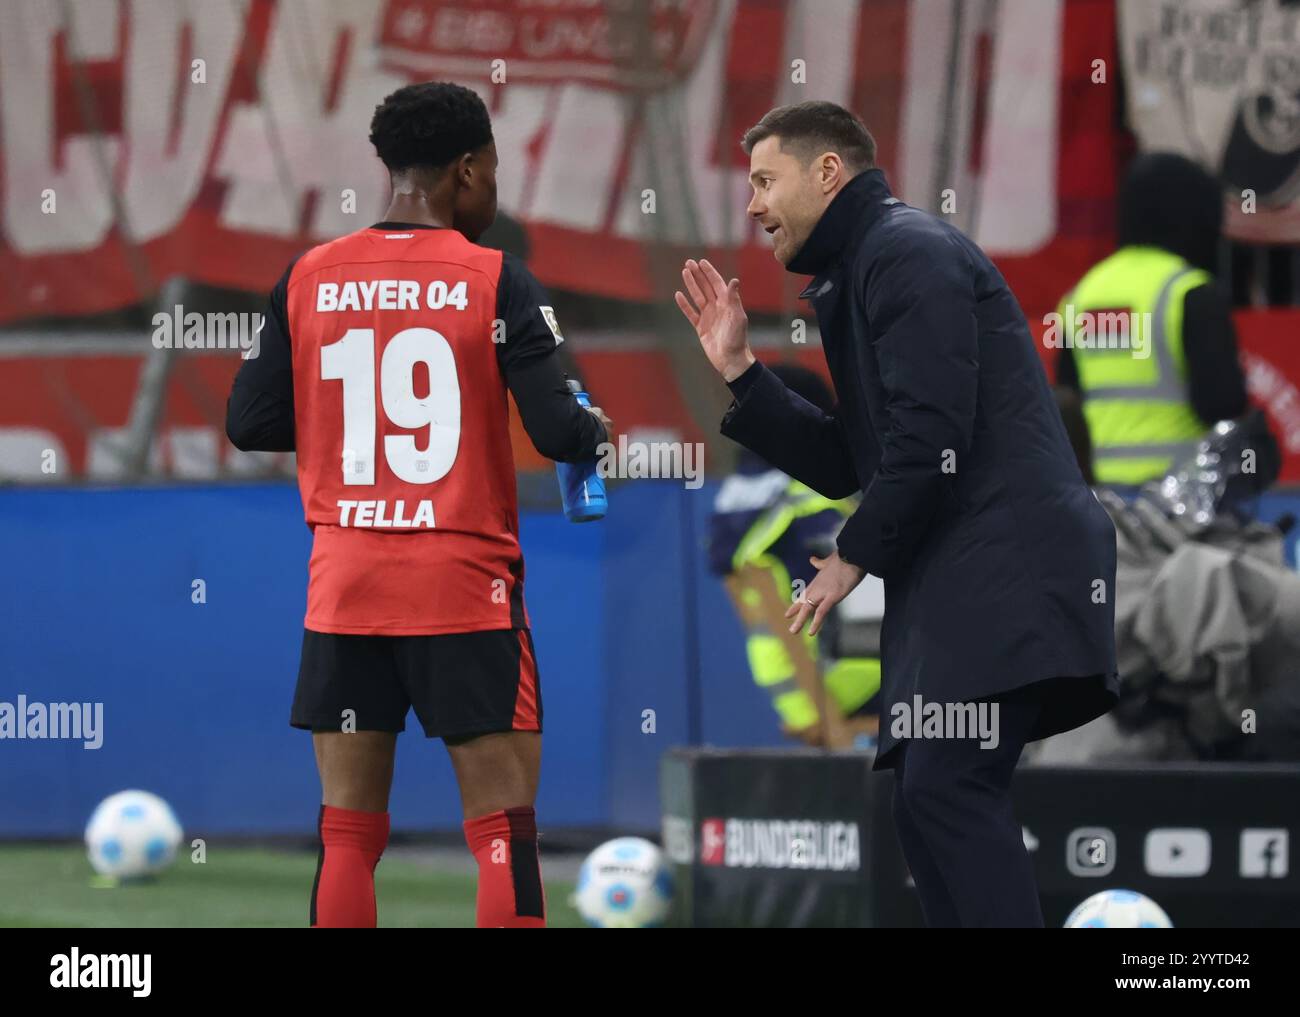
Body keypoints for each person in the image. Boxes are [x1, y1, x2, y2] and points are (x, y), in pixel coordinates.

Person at [675, 100, 1119, 927]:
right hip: (965, 573)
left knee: (948, 788)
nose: (753, 205)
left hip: (1005, 569)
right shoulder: (870, 262)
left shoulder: (906, 253)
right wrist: (740, 371)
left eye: (767, 180)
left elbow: (932, 438)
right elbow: (859, 459)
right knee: (927, 799)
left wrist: (852, 553)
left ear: (828, 173)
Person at [225, 81, 609, 928]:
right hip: (462, 587)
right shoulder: (498, 279)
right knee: (503, 830)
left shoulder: (309, 274)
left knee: (350, 833)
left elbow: (249, 422)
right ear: (467, 169)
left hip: (347, 587)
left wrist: (338, 413)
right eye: (494, 170)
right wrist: (590, 429)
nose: (494, 188)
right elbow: (554, 430)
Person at [708, 363, 880, 749]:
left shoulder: (736, 500)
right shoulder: (807, 505)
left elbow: (753, 607)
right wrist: (832, 723)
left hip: (793, 697)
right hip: (846, 683)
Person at [1054, 152, 1248, 485]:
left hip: (1098, 497)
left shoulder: (1080, 296)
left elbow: (1066, 404)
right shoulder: (1191, 292)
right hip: (1179, 500)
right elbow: (1221, 403)